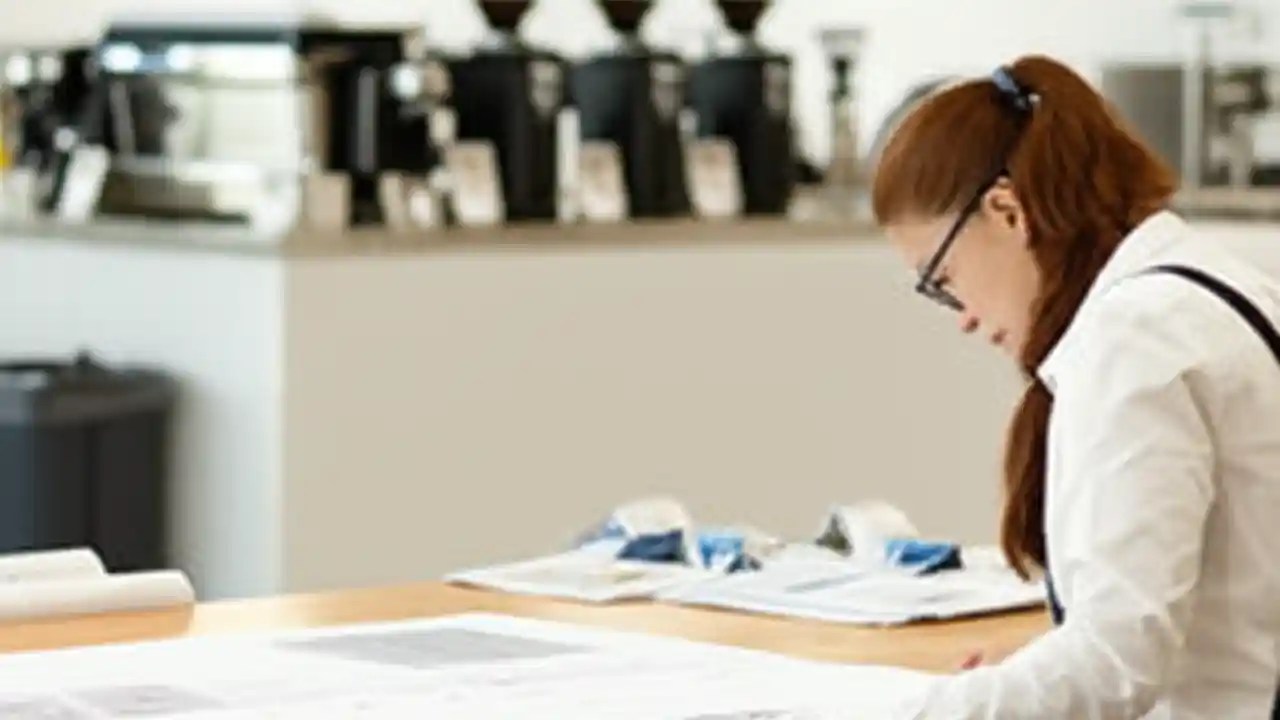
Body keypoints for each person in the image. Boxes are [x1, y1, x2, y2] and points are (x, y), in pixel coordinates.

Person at [872, 55, 1280, 719]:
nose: (965, 319)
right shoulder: (1209, 286)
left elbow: (1117, 663)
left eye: (941, 280)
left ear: (1006, 211)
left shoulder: (1132, 341)